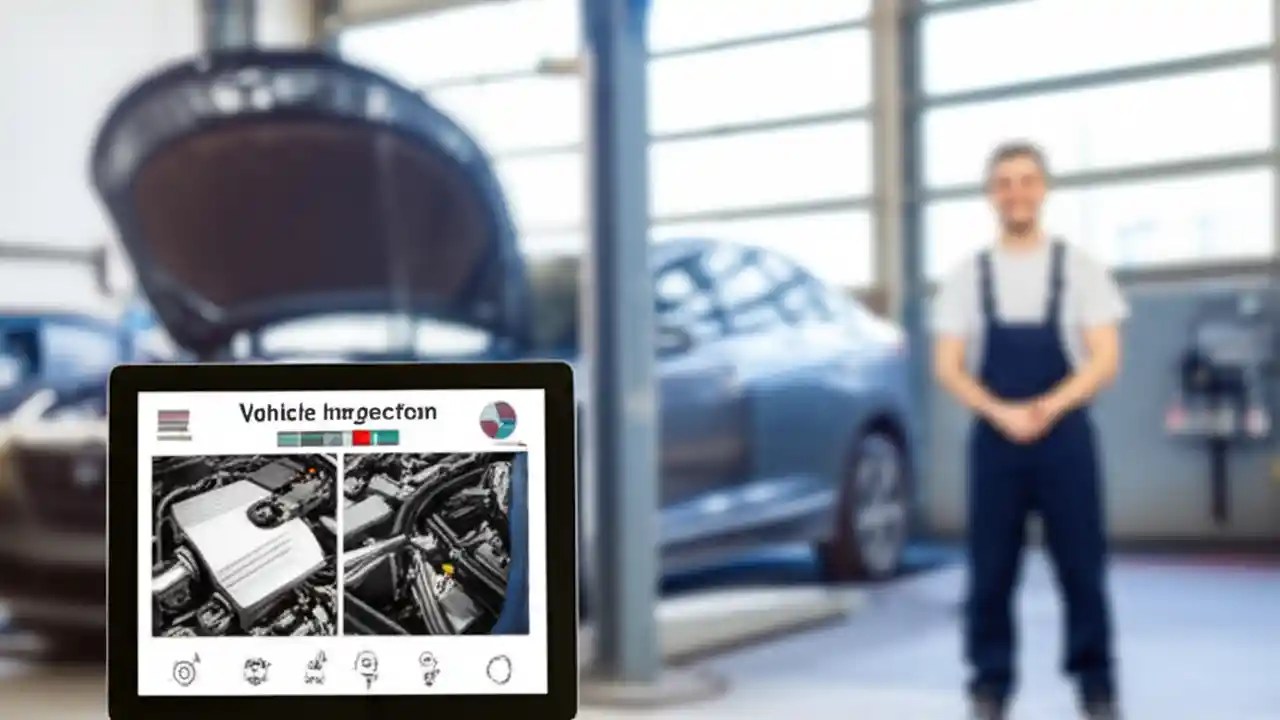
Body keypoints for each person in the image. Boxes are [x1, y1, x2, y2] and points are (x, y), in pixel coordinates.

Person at [932, 142, 1127, 720]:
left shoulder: (1080, 269)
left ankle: (1096, 687)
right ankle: (989, 686)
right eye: (1004, 183)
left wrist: (1048, 405)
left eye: (1027, 180)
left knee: (1081, 569)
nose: (1016, 192)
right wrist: (1001, 412)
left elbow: (1105, 358)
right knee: (990, 571)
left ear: (1044, 189)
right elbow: (947, 365)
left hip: (1064, 438)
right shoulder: (968, 276)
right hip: (996, 442)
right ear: (991, 194)